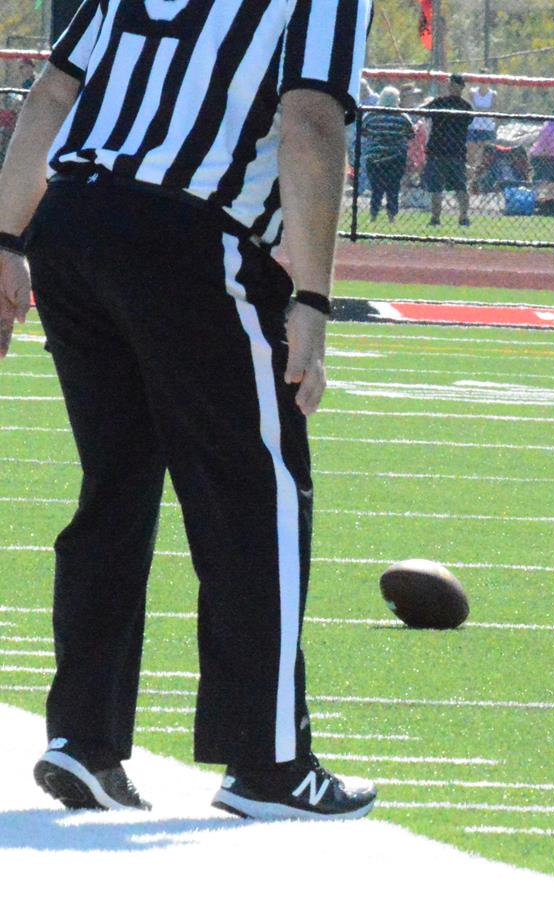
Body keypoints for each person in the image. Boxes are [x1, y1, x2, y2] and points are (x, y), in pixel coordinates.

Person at [0, 0, 376, 818]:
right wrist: (312, 297)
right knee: (260, 491)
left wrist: (5, 240)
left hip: (72, 222)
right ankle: (270, 763)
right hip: (191, 235)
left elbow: (54, 97)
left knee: (117, 484)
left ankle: (84, 738)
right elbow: (309, 119)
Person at [422, 73, 473, 227]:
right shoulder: (443, 102)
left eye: (454, 84)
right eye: (450, 84)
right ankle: (436, 218)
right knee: (437, 188)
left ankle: (463, 217)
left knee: (459, 187)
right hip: (440, 152)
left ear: (461, 87)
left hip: (452, 153)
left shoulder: (462, 106)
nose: (451, 87)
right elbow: (424, 112)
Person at [361, 87, 415, 223]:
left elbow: (363, 132)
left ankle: (373, 215)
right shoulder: (402, 117)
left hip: (374, 158)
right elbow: (410, 135)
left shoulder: (371, 116)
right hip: (396, 157)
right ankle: (391, 216)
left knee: (376, 188)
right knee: (393, 187)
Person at [465, 79, 496, 178]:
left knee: (485, 154)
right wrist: (483, 109)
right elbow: (471, 106)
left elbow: (492, 109)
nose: (483, 83)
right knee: (471, 154)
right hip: (474, 126)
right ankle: (470, 177)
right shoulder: (473, 93)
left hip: (487, 127)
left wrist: (480, 109)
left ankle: (481, 177)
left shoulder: (493, 94)